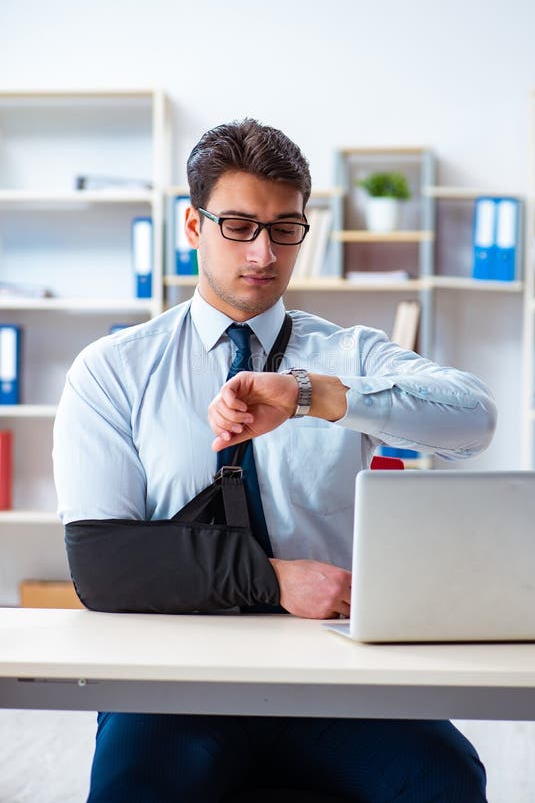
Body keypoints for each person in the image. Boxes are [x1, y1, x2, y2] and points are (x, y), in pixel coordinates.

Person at [53, 118, 496, 802]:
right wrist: (270, 579)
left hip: (335, 678)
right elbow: (100, 563)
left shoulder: (346, 357)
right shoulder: (113, 370)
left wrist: (310, 395)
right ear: (193, 227)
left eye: (284, 228)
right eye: (237, 225)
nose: (263, 252)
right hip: (173, 681)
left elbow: (473, 421)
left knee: (445, 779)